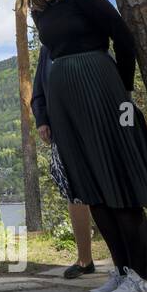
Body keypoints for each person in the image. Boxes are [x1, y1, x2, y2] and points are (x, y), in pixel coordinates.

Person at [17, 0, 147, 292]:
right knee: (90, 186)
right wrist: (47, 115)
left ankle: (144, 284)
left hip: (101, 89)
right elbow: (49, 61)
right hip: (65, 103)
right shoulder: (39, 12)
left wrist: (123, 88)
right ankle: (122, 271)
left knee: (119, 180)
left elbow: (122, 36)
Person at [31, 44, 96, 278]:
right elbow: (38, 90)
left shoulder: (90, 39)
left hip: (95, 125)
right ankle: (84, 259)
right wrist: (42, 120)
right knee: (74, 191)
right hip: (61, 128)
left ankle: (124, 262)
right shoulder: (46, 49)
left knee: (105, 190)